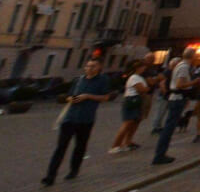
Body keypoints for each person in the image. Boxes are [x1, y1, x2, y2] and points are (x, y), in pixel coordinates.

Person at [41, 56, 116, 185]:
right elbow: (69, 95)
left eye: (93, 66)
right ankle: (50, 176)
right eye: (88, 66)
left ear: (99, 67)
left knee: (80, 146)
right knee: (61, 147)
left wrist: (88, 96)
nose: (89, 68)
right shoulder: (79, 80)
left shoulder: (103, 80)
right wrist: (71, 98)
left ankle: (74, 169)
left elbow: (106, 97)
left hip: (86, 119)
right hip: (70, 118)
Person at [151, 48, 197, 165]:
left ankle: (161, 154)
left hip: (176, 98)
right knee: (169, 127)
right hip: (177, 98)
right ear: (192, 56)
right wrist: (195, 82)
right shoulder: (184, 67)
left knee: (169, 126)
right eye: (196, 56)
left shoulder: (181, 65)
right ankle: (160, 155)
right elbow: (180, 84)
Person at [109, 60, 150, 153]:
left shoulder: (139, 77)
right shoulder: (134, 77)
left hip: (136, 100)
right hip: (132, 100)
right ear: (138, 68)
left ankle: (128, 142)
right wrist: (146, 88)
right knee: (127, 123)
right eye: (143, 67)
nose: (144, 68)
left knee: (134, 122)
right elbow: (141, 89)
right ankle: (115, 145)